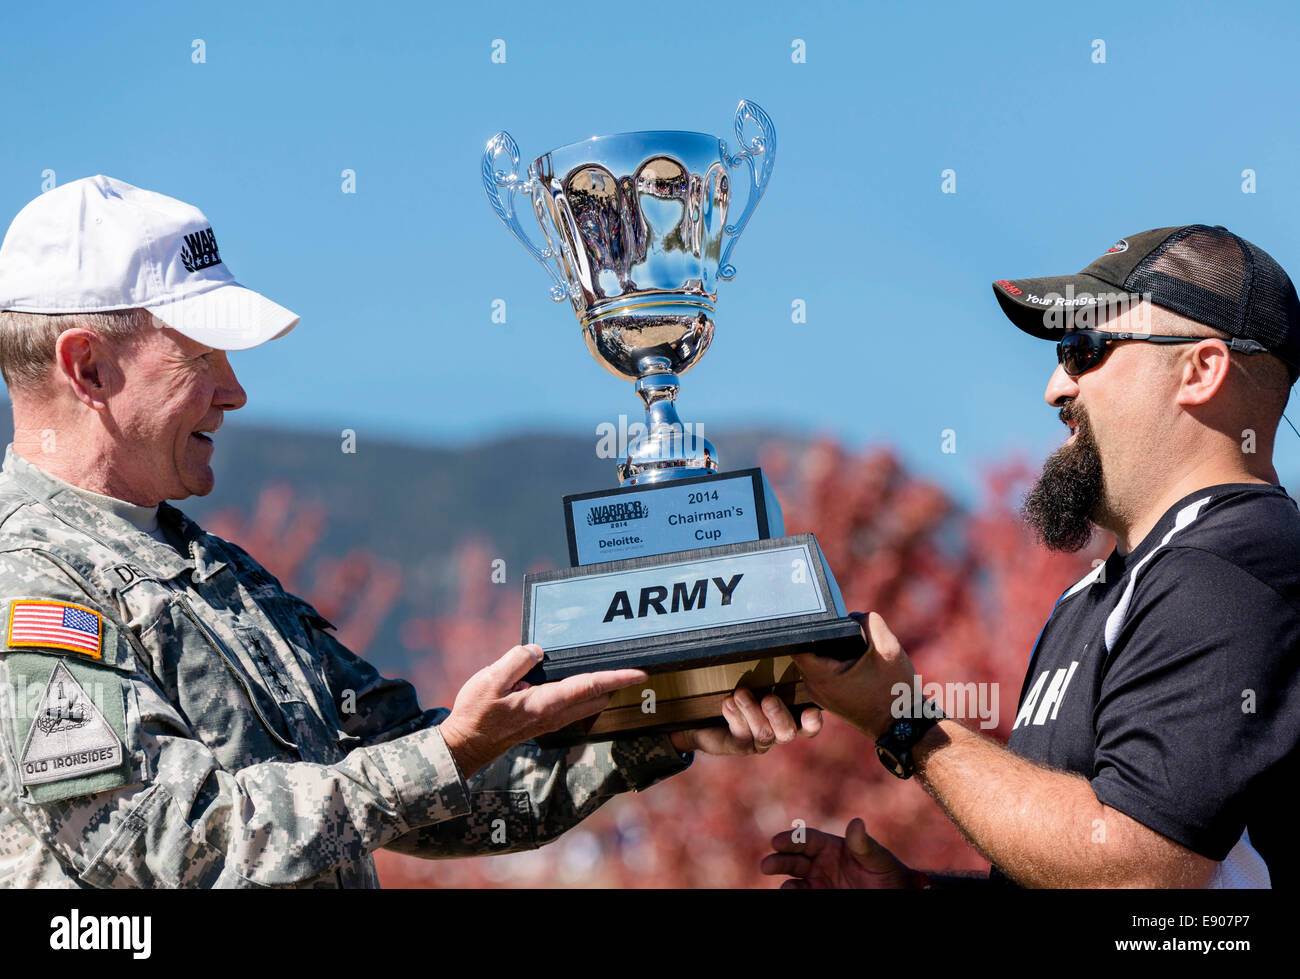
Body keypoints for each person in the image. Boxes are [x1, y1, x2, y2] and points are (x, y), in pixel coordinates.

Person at [0, 175, 820, 888]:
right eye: (202, 356)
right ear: (88, 368)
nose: (235, 391)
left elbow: (419, 785)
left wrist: (653, 719)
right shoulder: (27, 580)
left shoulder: (218, 575)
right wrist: (444, 755)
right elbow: (165, 841)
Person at [761, 225, 1300, 888]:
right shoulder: (1100, 593)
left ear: (1200, 370)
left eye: (1083, 349)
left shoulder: (1231, 567)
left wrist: (903, 721)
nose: (1054, 388)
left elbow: (1135, 869)